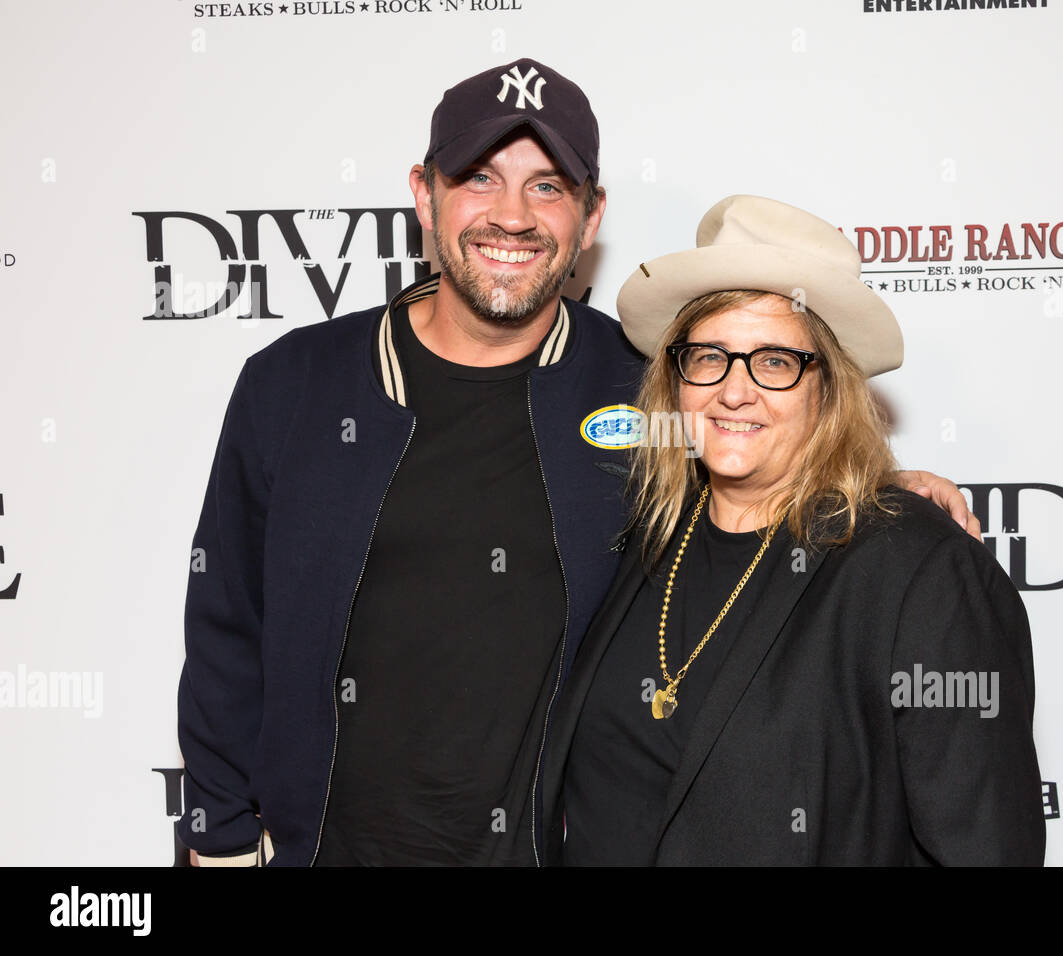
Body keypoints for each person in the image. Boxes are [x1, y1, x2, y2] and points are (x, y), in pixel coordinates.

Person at [176, 60, 978, 867]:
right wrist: (222, 844)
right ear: (424, 195)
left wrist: (880, 495)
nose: (513, 216)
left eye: (549, 187)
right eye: (480, 178)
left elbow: (763, 449)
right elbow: (226, 623)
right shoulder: (295, 382)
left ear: (591, 218)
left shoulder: (647, 386)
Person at [540, 195, 1046, 865]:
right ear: (676, 377)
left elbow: (985, 846)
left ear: (828, 389)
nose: (734, 390)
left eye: (774, 361)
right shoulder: (646, 537)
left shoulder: (917, 571)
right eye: (709, 355)